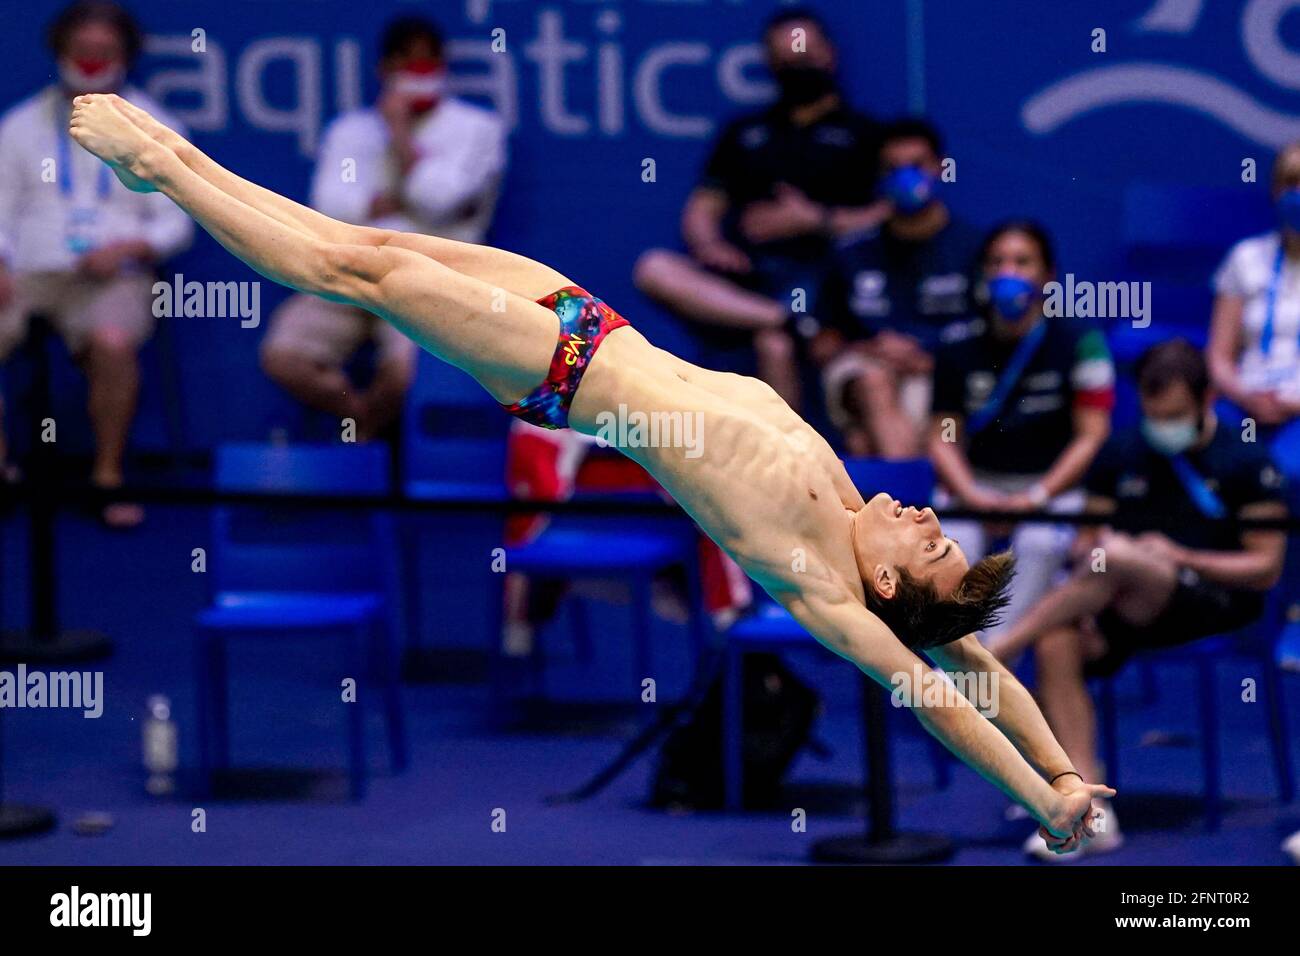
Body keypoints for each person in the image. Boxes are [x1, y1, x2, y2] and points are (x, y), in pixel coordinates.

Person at [73, 90, 1114, 851]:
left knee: (362, 275)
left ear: (884, 585)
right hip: (587, 319)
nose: (925, 510)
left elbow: (936, 690)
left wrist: (1036, 799)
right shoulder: (844, 503)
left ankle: (162, 167)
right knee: (366, 241)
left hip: (560, 376)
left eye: (924, 539)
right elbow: (982, 662)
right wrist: (1065, 768)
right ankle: (177, 156)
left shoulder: (819, 578)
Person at [987, 339, 1286, 859]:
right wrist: (1086, 593)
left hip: (1212, 603)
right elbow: (1085, 543)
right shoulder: (1122, 451)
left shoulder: (1245, 457)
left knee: (1122, 555)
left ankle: (998, 652)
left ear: (1206, 398)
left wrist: (1181, 557)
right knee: (1060, 638)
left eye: (1173, 414)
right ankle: (1085, 808)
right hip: (1123, 602)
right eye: (1151, 413)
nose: (1159, 425)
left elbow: (1265, 568)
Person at [259, 15, 506, 442]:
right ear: (383, 70)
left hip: (429, 279)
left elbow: (440, 200)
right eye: (406, 63)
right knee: (282, 356)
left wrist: (401, 135)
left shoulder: (477, 129)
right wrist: (381, 202)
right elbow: (328, 207)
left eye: (429, 62)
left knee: (405, 372)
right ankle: (356, 418)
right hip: (351, 271)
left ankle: (359, 445)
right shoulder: (350, 130)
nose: (418, 73)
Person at [633, 6, 884, 410]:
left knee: (774, 345)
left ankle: (790, 465)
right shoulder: (745, 133)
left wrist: (816, 220)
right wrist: (709, 244)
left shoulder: (865, 135)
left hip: (827, 280)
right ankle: (786, 319)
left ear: (829, 55)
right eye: (784, 59)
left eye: (803, 55)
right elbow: (702, 209)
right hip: (749, 282)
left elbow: (893, 217)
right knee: (654, 268)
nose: (795, 66)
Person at [0, 0, 192, 526]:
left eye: (103, 52)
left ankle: (107, 477)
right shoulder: (19, 126)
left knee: (111, 343)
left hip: (115, 277)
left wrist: (131, 248)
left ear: (125, 56)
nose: (90, 61)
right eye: (80, 50)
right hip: (30, 275)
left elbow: (177, 221)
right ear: (60, 53)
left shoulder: (158, 129)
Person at [929, 222, 1114, 644]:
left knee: (1039, 543)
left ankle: (984, 665)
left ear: (1047, 276)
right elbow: (942, 437)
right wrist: (974, 496)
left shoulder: (1083, 343)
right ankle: (964, 661)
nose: (1008, 272)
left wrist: (1036, 497)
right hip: (975, 488)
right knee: (952, 545)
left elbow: (1092, 435)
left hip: (1052, 491)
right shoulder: (956, 345)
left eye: (1022, 262)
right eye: (997, 262)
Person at [814, 118, 983, 457]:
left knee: (865, 442)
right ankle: (912, 504)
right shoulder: (851, 252)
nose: (905, 177)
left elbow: (991, 339)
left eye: (917, 165)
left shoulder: (975, 249)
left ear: (940, 167)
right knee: (873, 383)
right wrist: (871, 348)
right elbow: (822, 344)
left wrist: (931, 359)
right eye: (893, 168)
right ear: (879, 176)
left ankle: (892, 494)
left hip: (938, 369)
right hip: (864, 366)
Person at [1206, 140, 1300, 666]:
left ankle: (1293, 614)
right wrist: (1244, 393)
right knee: (1217, 469)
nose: (1299, 195)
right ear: (1274, 193)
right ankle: (1228, 611)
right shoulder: (1247, 259)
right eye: (1291, 183)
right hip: (1245, 404)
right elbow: (1218, 356)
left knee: (1289, 476)